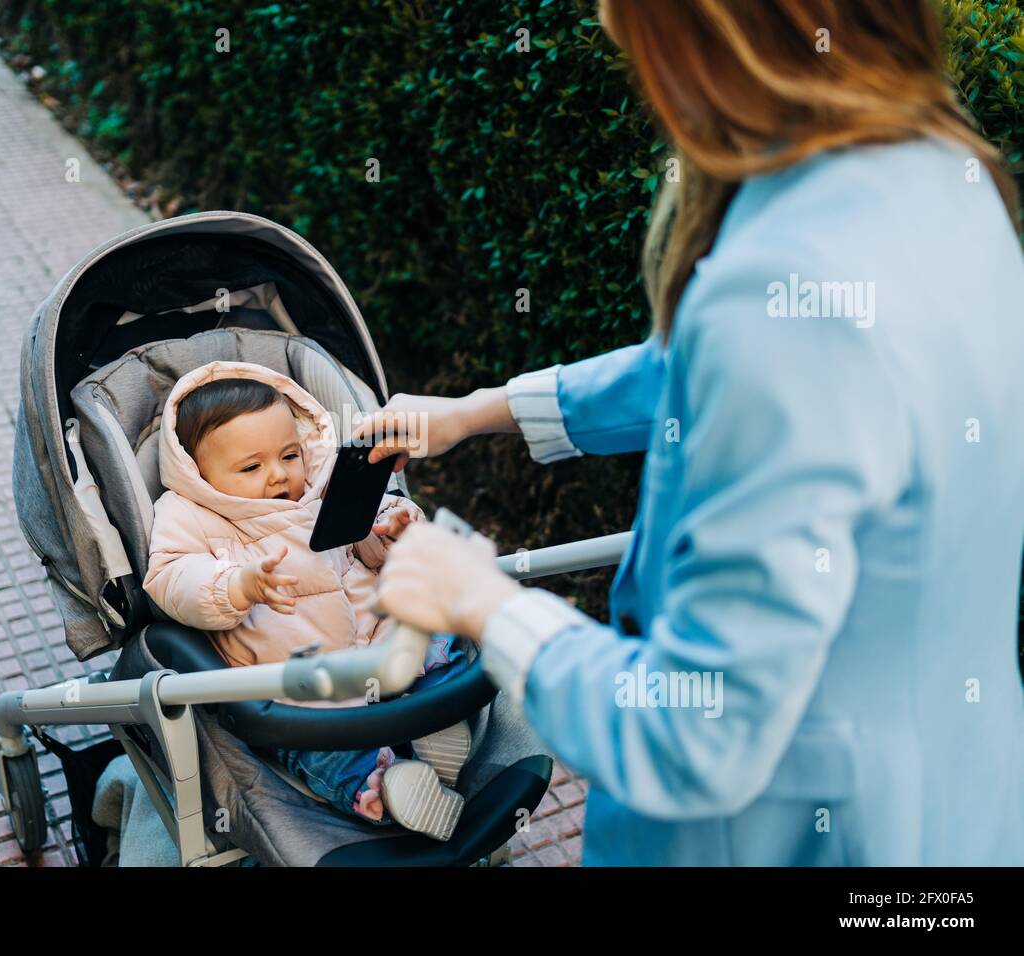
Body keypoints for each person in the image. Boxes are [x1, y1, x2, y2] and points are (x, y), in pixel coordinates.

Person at [359, 0, 1024, 864]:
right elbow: (696, 371)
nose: (607, 27)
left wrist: (485, 603)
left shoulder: (779, 291)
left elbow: (698, 730)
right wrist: (479, 412)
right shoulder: (942, 175)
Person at [143, 361, 472, 841]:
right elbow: (171, 577)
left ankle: (436, 722)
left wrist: (393, 530)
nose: (279, 475)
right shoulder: (190, 515)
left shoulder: (322, 480)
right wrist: (237, 586)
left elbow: (365, 538)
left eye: (290, 454)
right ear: (200, 473)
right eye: (252, 467)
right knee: (318, 748)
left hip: (379, 640)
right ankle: (389, 784)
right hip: (301, 686)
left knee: (434, 634)